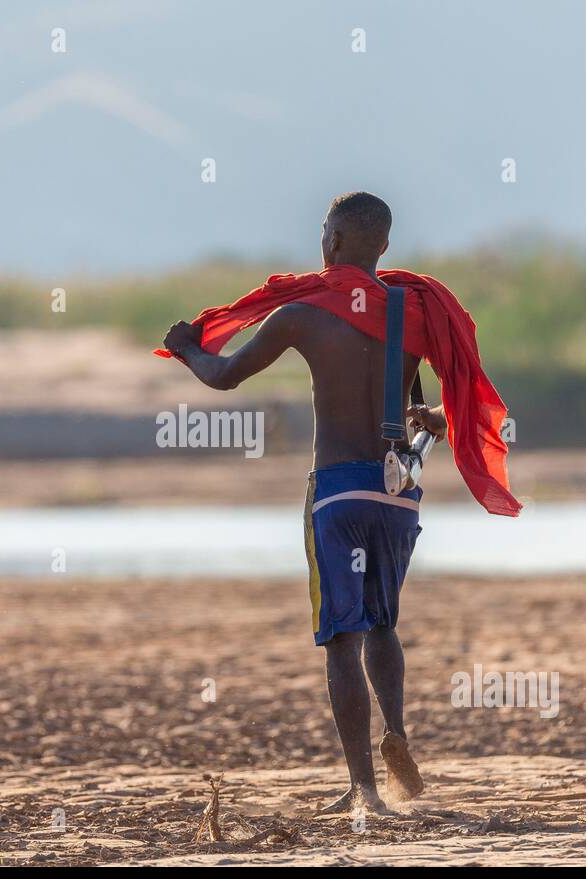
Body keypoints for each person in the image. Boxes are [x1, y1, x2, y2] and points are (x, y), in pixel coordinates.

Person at [161, 191, 467, 814]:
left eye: (324, 232)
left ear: (330, 243)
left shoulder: (302, 313)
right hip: (397, 492)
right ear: (383, 247)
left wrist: (187, 345)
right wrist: (429, 418)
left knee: (340, 641)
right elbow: (443, 405)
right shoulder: (412, 311)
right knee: (383, 624)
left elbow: (224, 376)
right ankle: (398, 736)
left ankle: (365, 791)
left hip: (337, 492)